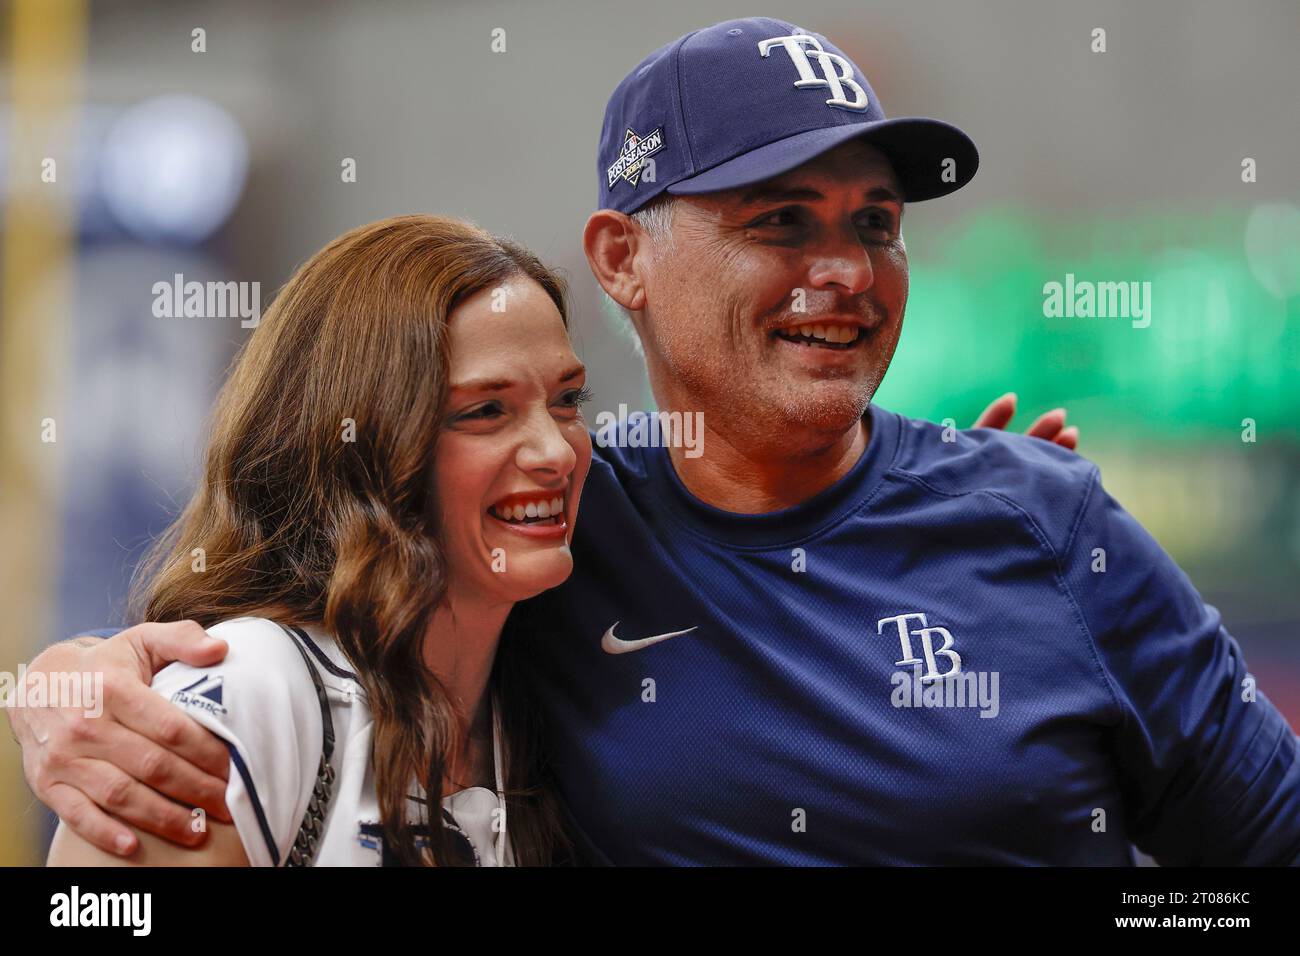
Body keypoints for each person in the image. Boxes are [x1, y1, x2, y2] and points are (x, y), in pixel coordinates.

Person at [24, 16, 1290, 865]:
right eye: (782, 219)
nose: (845, 270)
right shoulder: (553, 537)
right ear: (623, 258)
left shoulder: (1043, 519)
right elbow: (271, 624)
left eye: (879, 222)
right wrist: (65, 687)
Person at [44, 214, 592, 865]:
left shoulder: (530, 699)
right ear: (358, 448)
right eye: (485, 411)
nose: (557, 451)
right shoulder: (248, 692)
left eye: (568, 400)